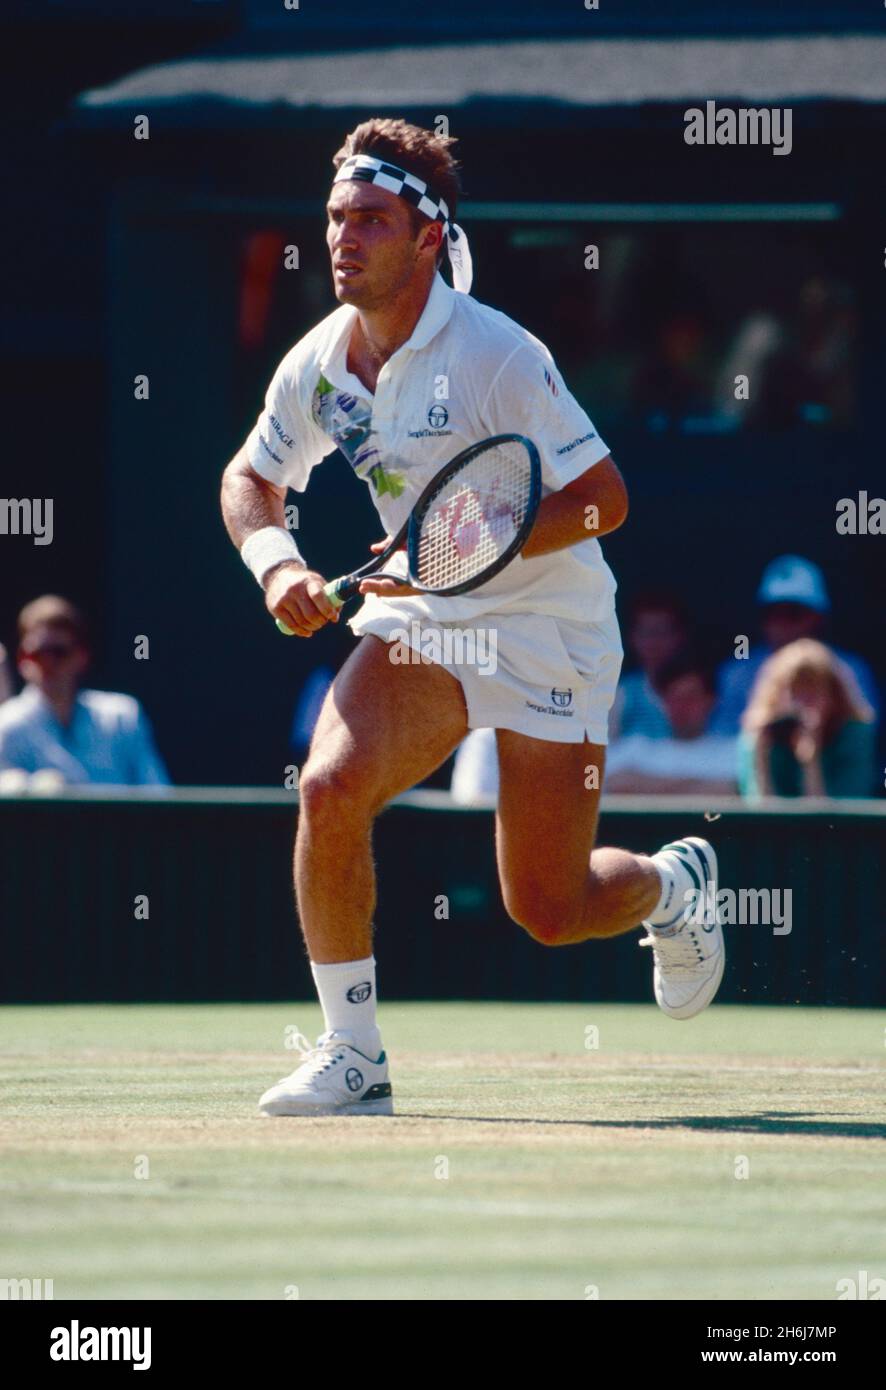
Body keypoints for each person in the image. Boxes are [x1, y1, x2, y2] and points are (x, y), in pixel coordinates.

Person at [221, 118, 725, 1119]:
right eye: (334, 218)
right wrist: (275, 564)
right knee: (327, 788)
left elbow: (604, 499)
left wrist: (475, 542)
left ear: (424, 237)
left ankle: (672, 886)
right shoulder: (318, 364)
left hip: (550, 626)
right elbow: (250, 477)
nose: (342, 236)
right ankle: (353, 1054)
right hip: (425, 625)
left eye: (369, 217)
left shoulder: (500, 354)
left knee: (547, 908)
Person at [0, 596, 170, 787]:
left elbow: (156, 792)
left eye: (58, 652)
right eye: (36, 653)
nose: (47, 664)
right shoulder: (7, 724)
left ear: (81, 656)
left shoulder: (122, 717)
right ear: (22, 659)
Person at [713, 555, 879, 735]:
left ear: (818, 618)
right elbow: (724, 739)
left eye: (794, 614)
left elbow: (863, 737)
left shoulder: (850, 671)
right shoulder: (736, 675)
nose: (783, 625)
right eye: (774, 614)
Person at [738, 639, 876, 799]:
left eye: (811, 693)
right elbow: (758, 814)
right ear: (775, 695)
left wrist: (811, 761)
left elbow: (839, 819)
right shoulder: (761, 734)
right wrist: (760, 757)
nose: (802, 705)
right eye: (795, 693)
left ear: (835, 696)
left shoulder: (853, 735)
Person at [605, 653, 738, 795]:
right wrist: (700, 785)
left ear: (710, 701)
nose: (682, 706)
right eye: (673, 698)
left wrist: (648, 785)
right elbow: (615, 785)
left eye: (690, 698)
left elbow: (735, 789)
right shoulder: (634, 748)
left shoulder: (733, 751)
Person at [609, 590, 691, 740]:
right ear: (632, 638)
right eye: (646, 632)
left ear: (680, 636)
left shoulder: (697, 693)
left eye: (663, 631)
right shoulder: (621, 693)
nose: (654, 641)